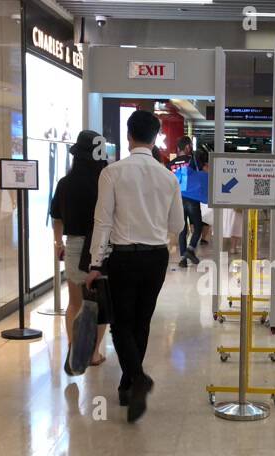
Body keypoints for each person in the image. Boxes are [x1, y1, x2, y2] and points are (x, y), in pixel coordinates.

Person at [84, 110, 184, 423]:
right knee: (141, 321)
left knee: (120, 323)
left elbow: (102, 222)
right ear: (156, 138)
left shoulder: (113, 172)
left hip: (124, 256)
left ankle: (137, 379)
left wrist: (95, 262)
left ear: (129, 136)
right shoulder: (168, 176)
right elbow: (177, 224)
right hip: (155, 257)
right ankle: (128, 385)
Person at [52, 130, 109, 372]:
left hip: (74, 245)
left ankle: (74, 346)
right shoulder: (106, 182)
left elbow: (56, 218)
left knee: (74, 303)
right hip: (101, 247)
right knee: (98, 305)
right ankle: (93, 353)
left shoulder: (65, 183)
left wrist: (59, 244)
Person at [168, 136, 202, 267]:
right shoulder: (193, 160)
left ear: (178, 148)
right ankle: (190, 249)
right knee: (198, 227)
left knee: (182, 230)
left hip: (178, 199)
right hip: (192, 198)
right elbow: (201, 175)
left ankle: (183, 259)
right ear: (188, 147)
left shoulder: (171, 164)